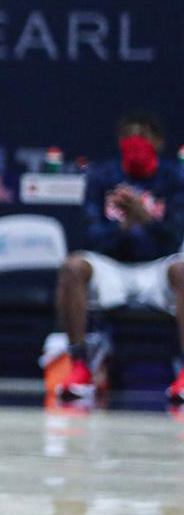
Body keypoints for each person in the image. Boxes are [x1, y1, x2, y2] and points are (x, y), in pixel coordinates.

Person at [57, 111, 184, 403]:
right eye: (130, 136)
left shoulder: (174, 178)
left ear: (158, 141)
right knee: (73, 266)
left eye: (143, 136)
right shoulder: (102, 176)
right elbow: (90, 236)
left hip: (157, 266)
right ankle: (79, 366)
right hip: (112, 265)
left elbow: (175, 237)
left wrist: (146, 219)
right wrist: (124, 227)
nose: (136, 143)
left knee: (183, 270)